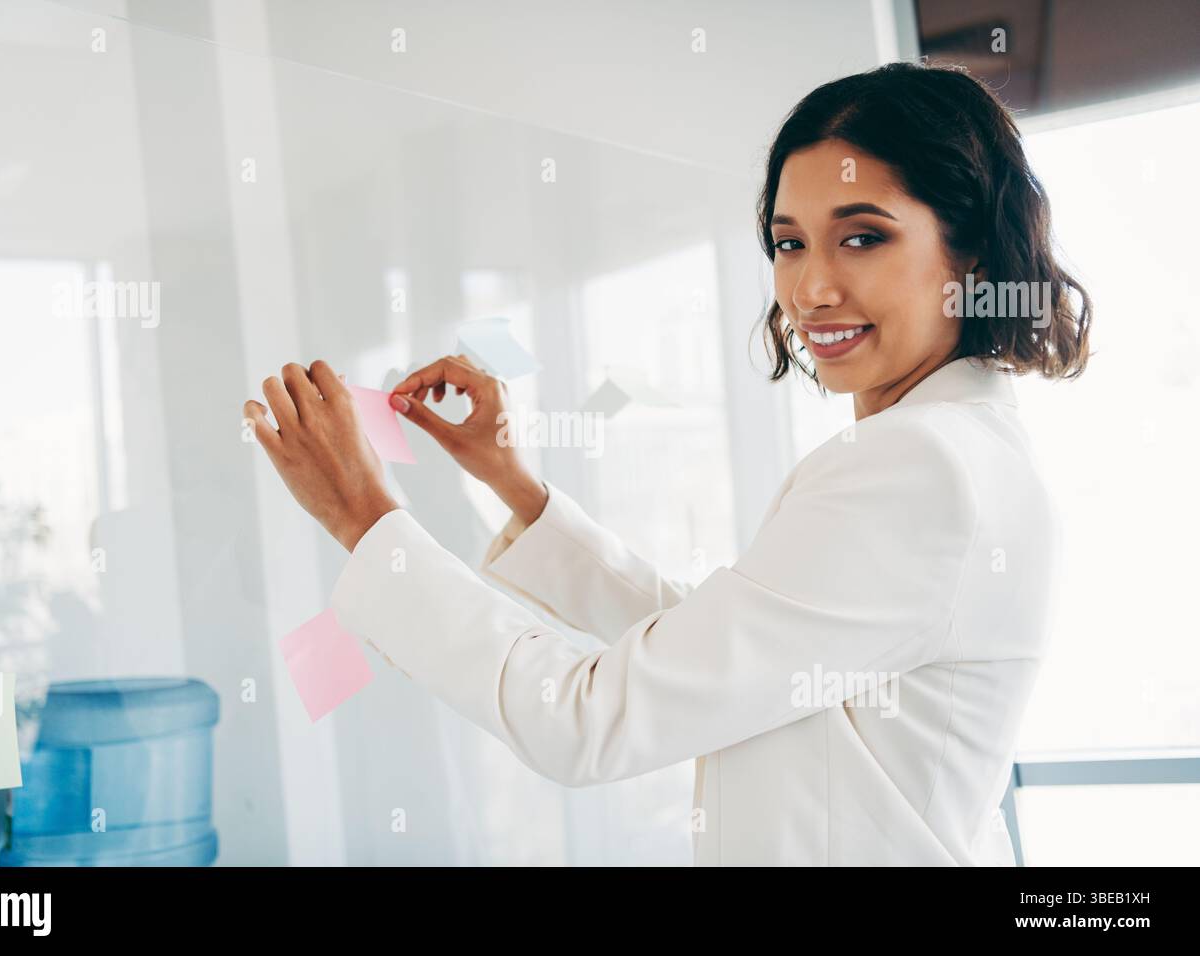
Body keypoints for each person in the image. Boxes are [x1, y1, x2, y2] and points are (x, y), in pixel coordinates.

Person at [242, 60, 1092, 865]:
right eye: (789, 244)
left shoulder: (920, 468)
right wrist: (515, 486)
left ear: (971, 253)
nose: (811, 290)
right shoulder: (961, 453)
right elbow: (720, 656)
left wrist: (363, 516)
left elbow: (587, 722)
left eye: (862, 237)